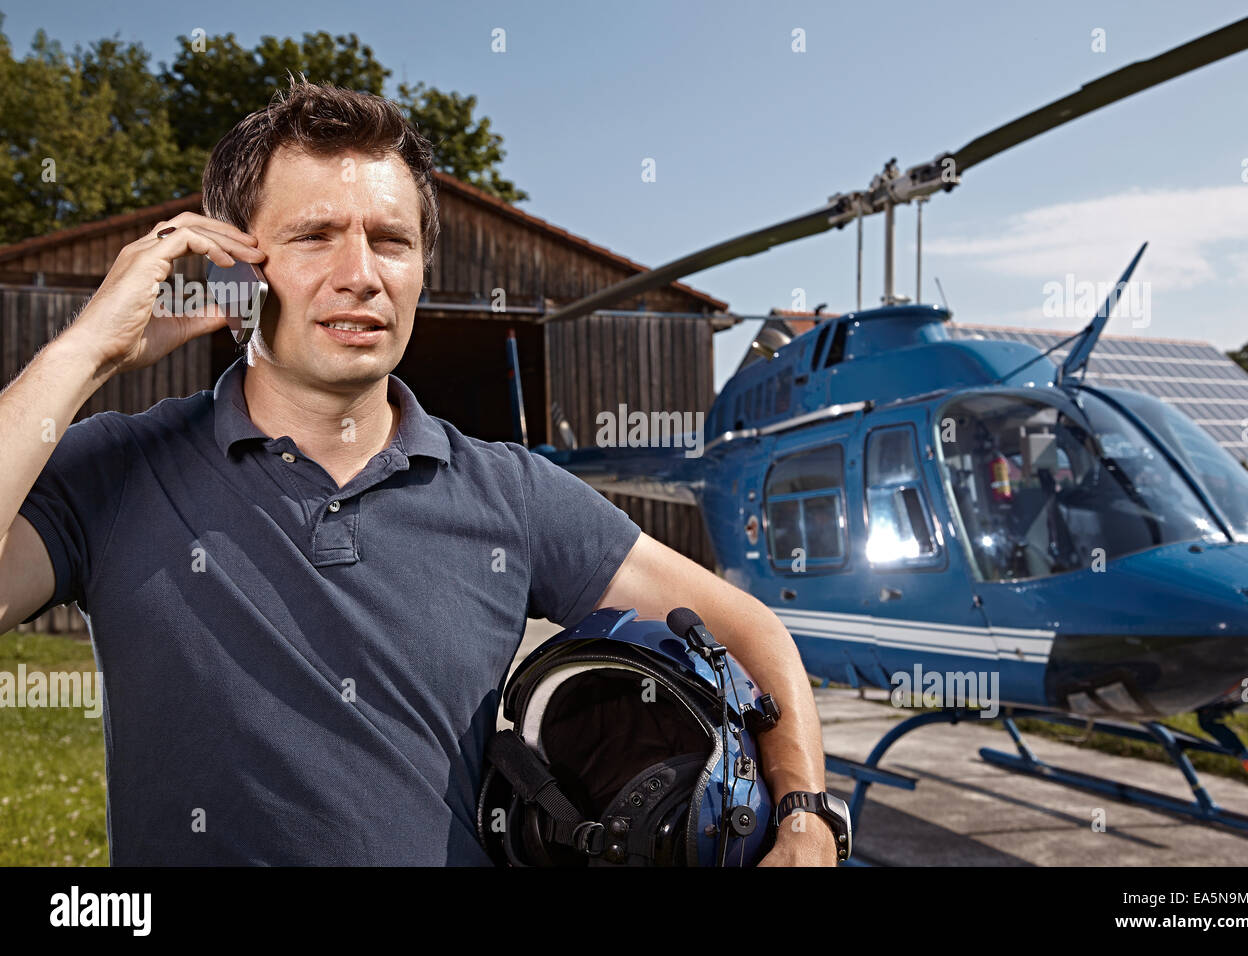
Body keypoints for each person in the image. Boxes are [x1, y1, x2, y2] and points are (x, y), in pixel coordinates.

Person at [0, 80, 838, 866]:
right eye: (314, 235)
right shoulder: (113, 469)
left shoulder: (509, 494)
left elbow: (749, 632)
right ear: (238, 265)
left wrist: (804, 817)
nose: (360, 274)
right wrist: (88, 348)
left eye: (391, 241)